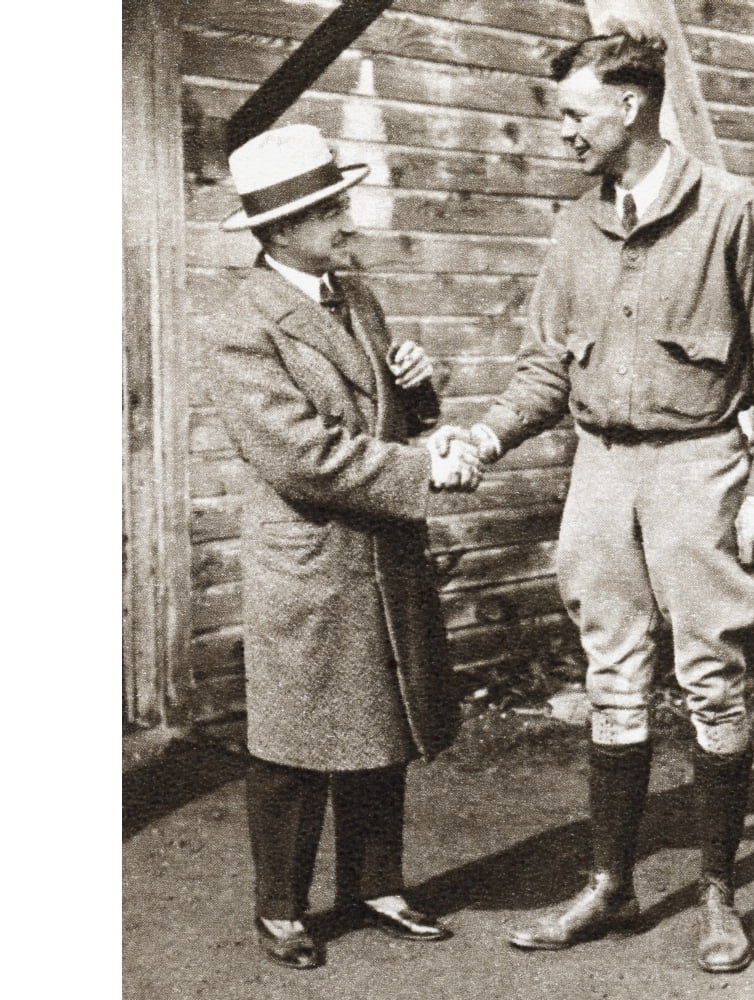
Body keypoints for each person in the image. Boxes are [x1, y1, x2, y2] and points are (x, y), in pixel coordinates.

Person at [448, 33, 754, 973]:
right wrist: (485, 437)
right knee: (612, 675)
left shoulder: (732, 209)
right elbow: (542, 366)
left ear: (632, 107)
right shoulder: (576, 226)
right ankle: (612, 886)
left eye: (575, 113)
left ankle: (720, 895)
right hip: (601, 468)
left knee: (710, 677)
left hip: (702, 467)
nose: (563, 131)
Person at [205, 123, 480, 970]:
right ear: (279, 226)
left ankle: (376, 883)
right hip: (312, 558)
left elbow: (388, 417)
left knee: (379, 721)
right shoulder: (242, 324)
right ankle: (281, 907)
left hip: (381, 547)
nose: (347, 222)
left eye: (341, 203)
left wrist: (422, 394)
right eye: (329, 210)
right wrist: (424, 467)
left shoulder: (353, 294)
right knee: (294, 739)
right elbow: (302, 457)